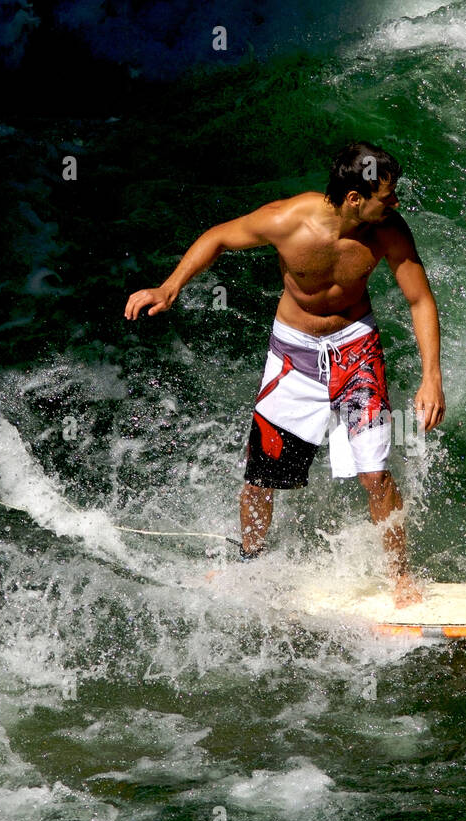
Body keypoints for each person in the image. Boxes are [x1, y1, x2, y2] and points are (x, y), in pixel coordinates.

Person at [124, 142, 444, 607]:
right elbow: (217, 237)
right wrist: (169, 286)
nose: (394, 204)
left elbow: (419, 300)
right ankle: (251, 562)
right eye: (386, 196)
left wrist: (431, 376)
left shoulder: (388, 233)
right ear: (355, 198)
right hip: (293, 359)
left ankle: (400, 580)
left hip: (356, 353)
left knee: (375, 476)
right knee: (261, 478)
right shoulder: (286, 221)